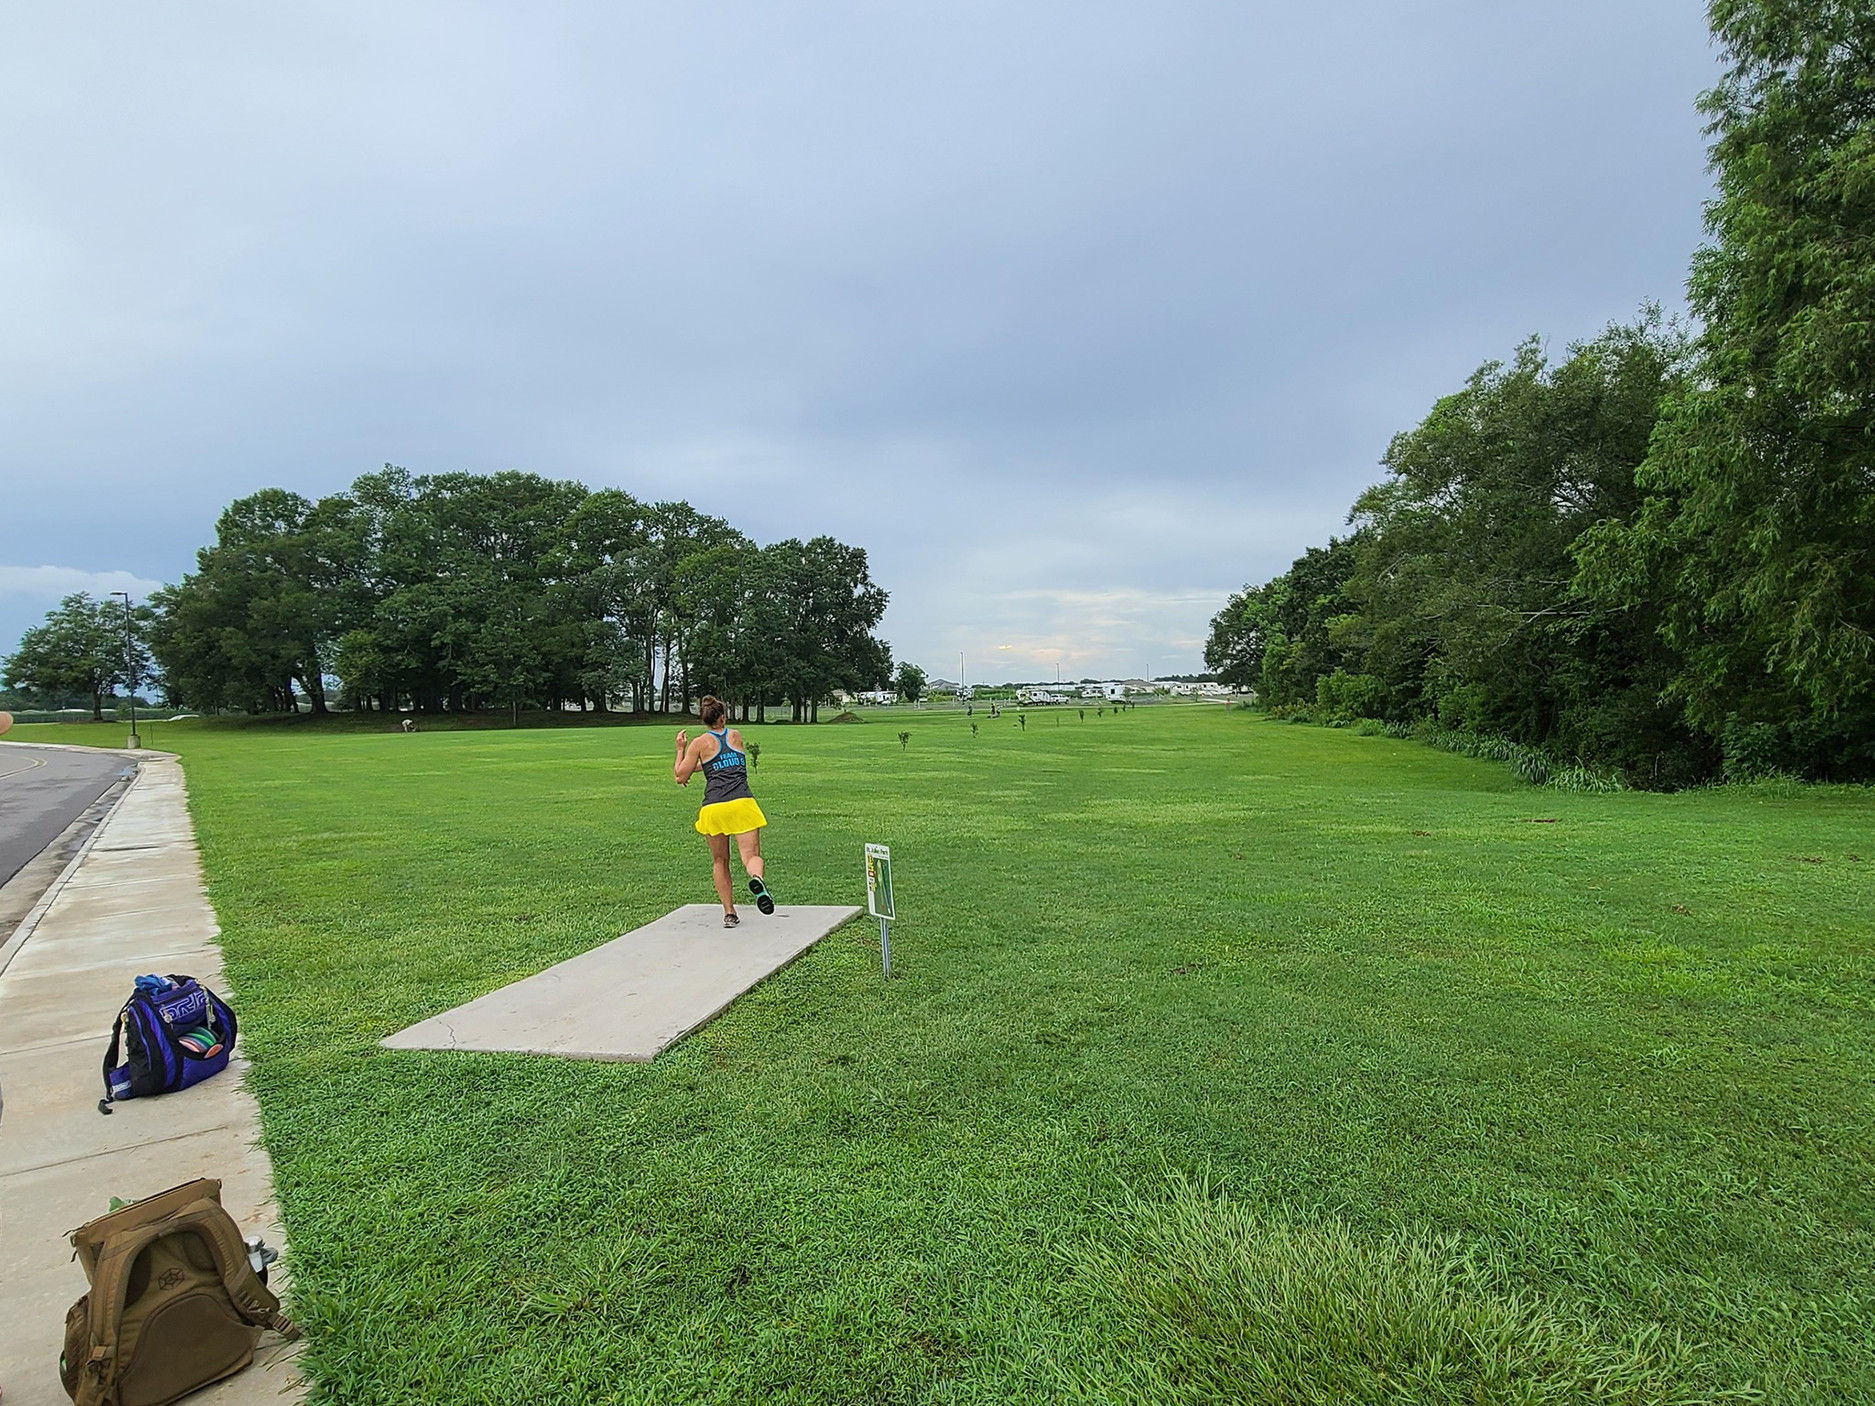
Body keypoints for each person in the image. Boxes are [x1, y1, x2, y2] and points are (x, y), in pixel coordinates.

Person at [674, 696, 773, 927]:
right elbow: (721, 760)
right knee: (751, 856)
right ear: (723, 717)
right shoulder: (736, 736)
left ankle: (729, 913)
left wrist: (681, 749)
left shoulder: (699, 744)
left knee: (720, 860)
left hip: (714, 807)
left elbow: (680, 775)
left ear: (704, 720)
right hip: (742, 804)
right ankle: (757, 879)